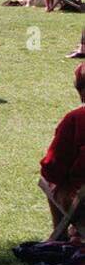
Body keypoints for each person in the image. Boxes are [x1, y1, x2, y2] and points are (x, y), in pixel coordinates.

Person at [39, 62, 85, 239]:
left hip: (81, 201)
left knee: (48, 179)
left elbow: (52, 167)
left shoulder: (77, 118)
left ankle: (59, 234)